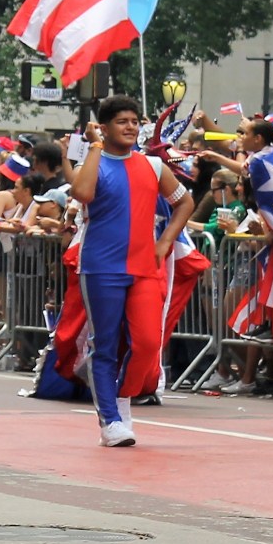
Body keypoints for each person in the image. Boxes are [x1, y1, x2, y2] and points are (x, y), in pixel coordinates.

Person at [63, 96, 196, 446]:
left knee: (149, 342)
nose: (131, 127)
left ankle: (122, 397)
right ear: (104, 128)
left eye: (135, 121)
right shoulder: (96, 161)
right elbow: (81, 191)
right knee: (104, 345)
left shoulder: (153, 165)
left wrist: (166, 241)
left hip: (144, 268)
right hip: (100, 266)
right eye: (122, 121)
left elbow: (184, 202)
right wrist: (93, 147)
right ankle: (110, 421)